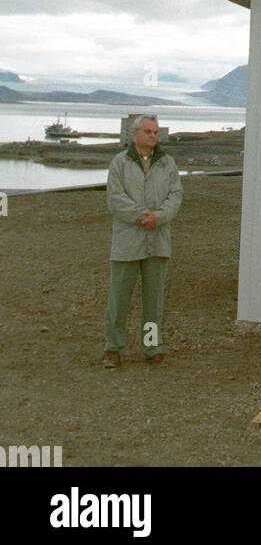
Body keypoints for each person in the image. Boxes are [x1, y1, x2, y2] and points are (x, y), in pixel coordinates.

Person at [102, 114, 183, 367]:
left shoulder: (167, 163)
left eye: (155, 132)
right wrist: (141, 216)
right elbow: (115, 198)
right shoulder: (120, 163)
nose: (153, 136)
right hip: (127, 243)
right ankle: (113, 348)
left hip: (157, 242)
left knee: (153, 300)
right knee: (119, 299)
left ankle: (152, 346)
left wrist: (158, 218)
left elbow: (175, 196)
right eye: (148, 131)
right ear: (134, 134)